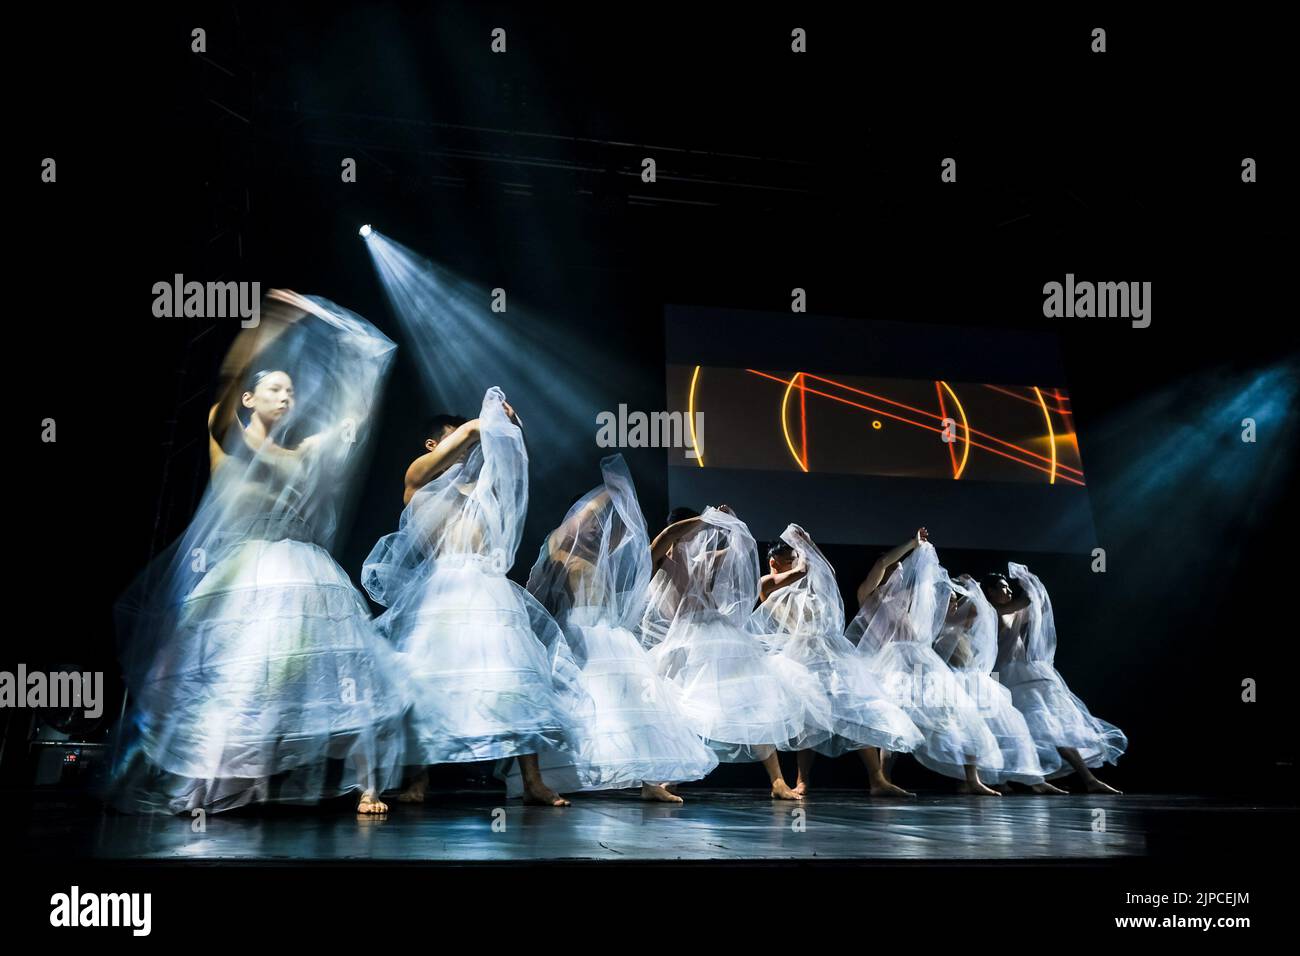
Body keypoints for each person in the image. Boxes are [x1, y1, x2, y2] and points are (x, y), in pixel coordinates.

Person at [109, 290, 408, 815]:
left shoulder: (303, 451)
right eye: (274, 387)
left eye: (290, 389)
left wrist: (358, 358)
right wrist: (269, 325)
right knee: (238, 672)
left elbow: (353, 422)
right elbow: (230, 381)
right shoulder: (228, 438)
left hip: (301, 570)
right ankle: (216, 778)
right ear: (252, 398)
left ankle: (368, 787)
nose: (286, 395)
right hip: (243, 569)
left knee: (341, 672)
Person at [362, 387, 584, 806]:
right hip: (441, 589)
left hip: (486, 589)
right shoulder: (419, 482)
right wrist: (479, 424)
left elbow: (512, 460)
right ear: (435, 444)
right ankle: (418, 780)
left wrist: (508, 425)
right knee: (423, 680)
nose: (471, 446)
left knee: (512, 680)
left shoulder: (484, 490)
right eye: (460, 439)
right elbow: (464, 440)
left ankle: (533, 780)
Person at [501, 454, 718, 802]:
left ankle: (649, 783)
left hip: (610, 637)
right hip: (577, 637)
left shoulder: (609, 561)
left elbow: (661, 541)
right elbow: (544, 594)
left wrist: (705, 521)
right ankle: (538, 782)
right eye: (593, 521)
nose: (599, 528)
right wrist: (610, 489)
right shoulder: (560, 549)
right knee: (573, 704)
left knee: (638, 704)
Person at [639, 505, 824, 800]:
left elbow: (740, 551)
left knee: (752, 698)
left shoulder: (705, 559)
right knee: (674, 706)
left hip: (717, 634)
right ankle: (664, 780)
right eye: (690, 530)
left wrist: (732, 523)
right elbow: (668, 535)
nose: (694, 537)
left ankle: (777, 781)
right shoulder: (661, 556)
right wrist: (708, 517)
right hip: (683, 639)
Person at [750, 525, 923, 797]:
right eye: (792, 557)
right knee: (807, 718)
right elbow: (804, 570)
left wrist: (809, 546)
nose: (799, 560)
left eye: (798, 556)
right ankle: (801, 780)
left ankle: (877, 779)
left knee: (855, 709)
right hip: (801, 657)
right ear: (775, 563)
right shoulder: (768, 584)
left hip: (830, 654)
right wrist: (806, 549)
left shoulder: (810, 590)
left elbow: (827, 572)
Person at [847, 529, 1003, 795]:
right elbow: (882, 564)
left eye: (903, 571)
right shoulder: (869, 599)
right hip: (891, 668)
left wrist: (968, 591)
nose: (899, 574)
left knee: (963, 715)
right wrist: (912, 544)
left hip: (921, 667)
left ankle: (971, 779)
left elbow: (957, 614)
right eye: (895, 571)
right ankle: (882, 780)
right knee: (893, 722)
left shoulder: (910, 608)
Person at [981, 566, 1126, 794]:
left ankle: (1083, 779)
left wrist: (1029, 583)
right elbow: (1026, 600)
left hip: (1021, 675)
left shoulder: (1011, 611)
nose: (1009, 591)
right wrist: (1027, 580)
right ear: (989, 592)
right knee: (1004, 728)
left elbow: (1035, 604)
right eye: (1003, 587)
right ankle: (1008, 780)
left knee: (1049, 724)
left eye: (1010, 587)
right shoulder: (991, 610)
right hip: (1001, 676)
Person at [935, 572, 1066, 793]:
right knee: (971, 729)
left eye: (957, 601)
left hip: (976, 679)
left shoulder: (971, 617)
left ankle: (1029, 779)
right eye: (951, 601)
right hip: (960, 680)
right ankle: (971, 780)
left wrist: (1032, 585)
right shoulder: (950, 621)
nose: (955, 605)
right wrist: (969, 587)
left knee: (1003, 728)